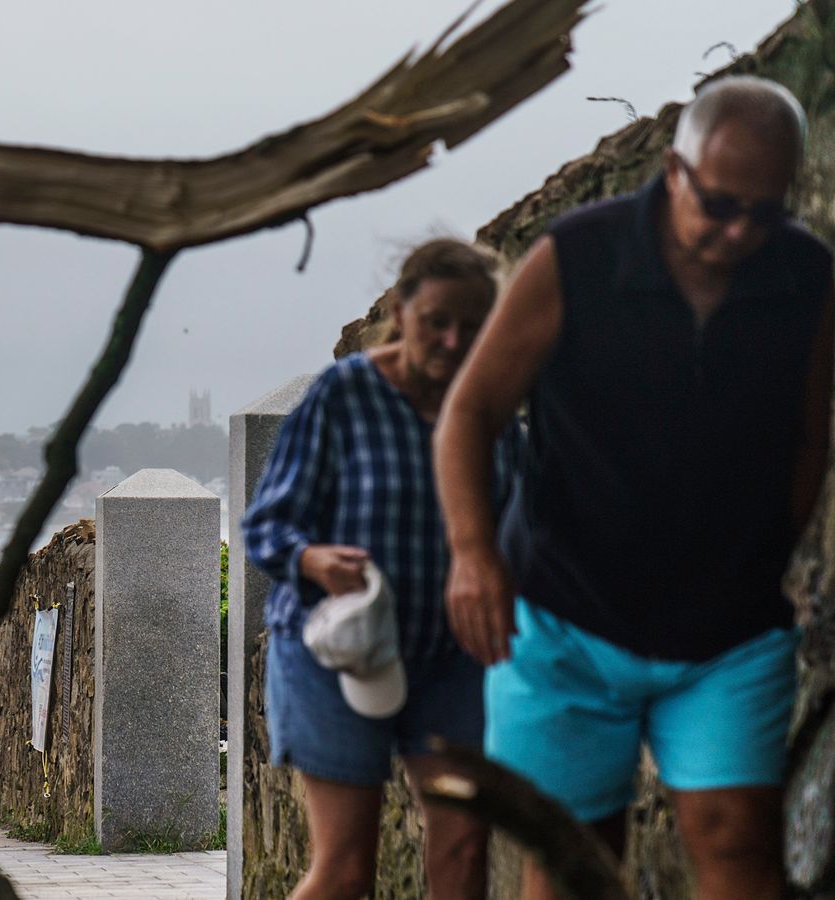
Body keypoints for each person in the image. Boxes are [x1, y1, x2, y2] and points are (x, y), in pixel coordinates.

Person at [434, 76, 832, 900]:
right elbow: (468, 412)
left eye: (764, 212)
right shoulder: (577, 257)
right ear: (674, 170)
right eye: (720, 205)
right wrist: (473, 555)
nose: (738, 233)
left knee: (741, 849)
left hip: (728, 630)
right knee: (576, 858)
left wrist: (765, 558)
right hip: (562, 620)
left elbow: (807, 439)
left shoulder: (806, 278)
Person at [244, 238, 519, 900]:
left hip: (453, 657)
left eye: (473, 326)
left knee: (463, 847)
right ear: (401, 309)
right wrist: (311, 558)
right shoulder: (346, 394)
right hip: (338, 653)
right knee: (344, 869)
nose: (454, 341)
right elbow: (265, 527)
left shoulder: (492, 408)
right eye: (436, 322)